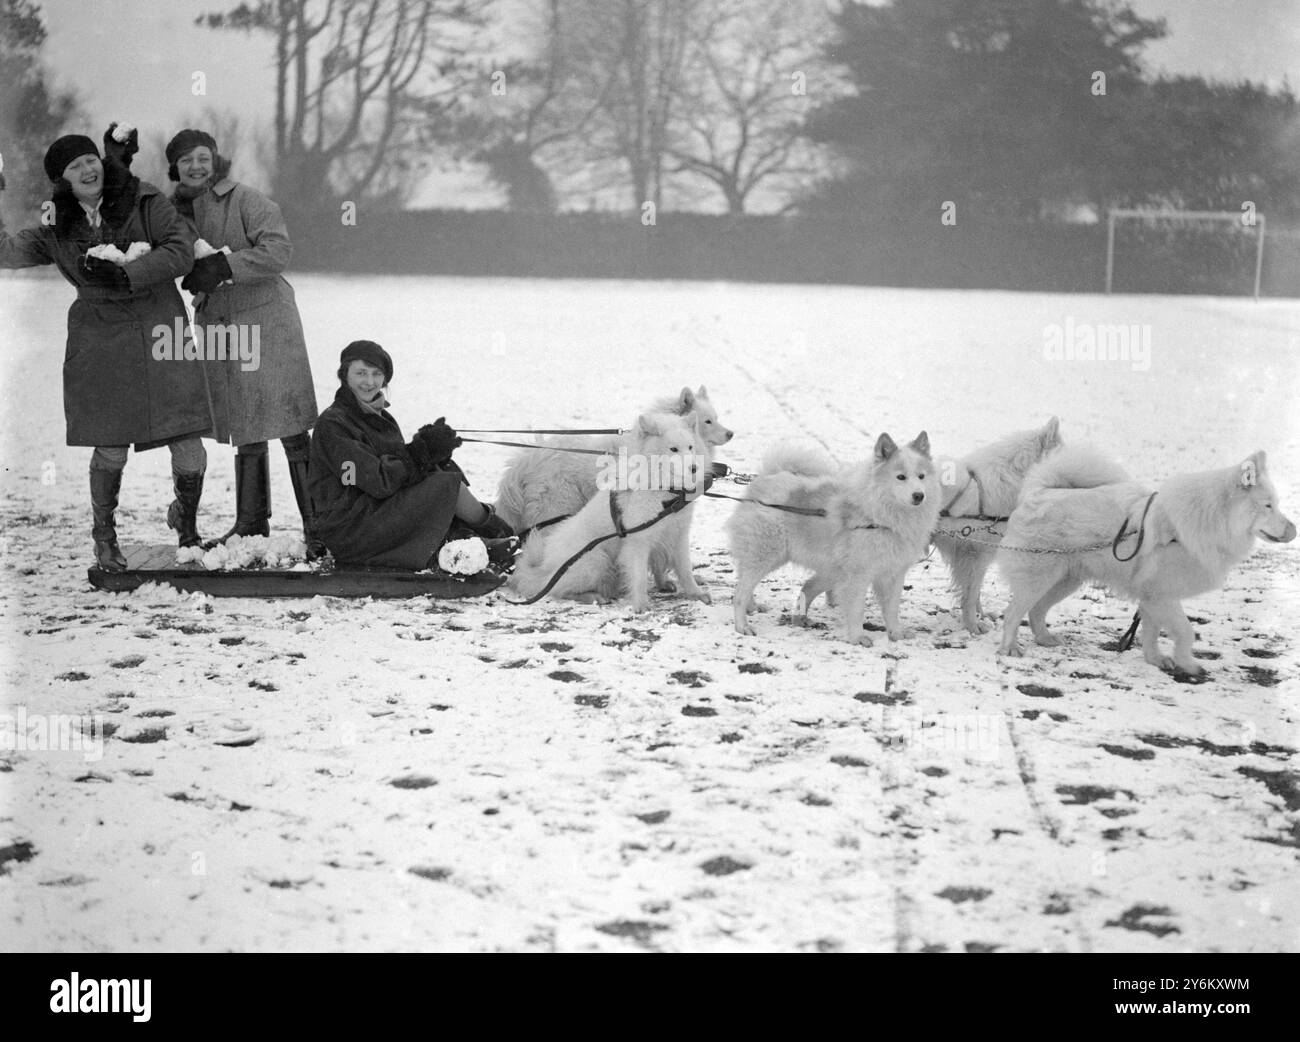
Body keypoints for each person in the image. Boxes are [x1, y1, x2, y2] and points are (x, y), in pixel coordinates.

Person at [0, 131, 212, 571]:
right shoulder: (56, 225)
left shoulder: (143, 199)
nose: (88, 170)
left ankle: (187, 524)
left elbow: (180, 252)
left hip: (160, 330)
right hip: (100, 340)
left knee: (187, 437)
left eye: (91, 160)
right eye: (75, 167)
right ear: (62, 180)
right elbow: (5, 252)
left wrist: (129, 274)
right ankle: (105, 537)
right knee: (111, 445)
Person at [163, 128, 320, 553]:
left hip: (268, 319)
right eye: (186, 160)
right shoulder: (173, 211)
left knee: (289, 424)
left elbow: (278, 251)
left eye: (202, 157)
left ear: (215, 159)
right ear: (174, 167)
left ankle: (318, 528)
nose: (196, 166)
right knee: (243, 421)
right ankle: (251, 524)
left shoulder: (246, 199)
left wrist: (222, 265)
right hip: (219, 323)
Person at [308, 340, 516, 571]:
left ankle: (468, 537)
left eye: (377, 374)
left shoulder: (379, 417)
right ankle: (496, 531)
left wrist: (430, 453)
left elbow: (396, 469)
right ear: (344, 375)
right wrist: (418, 454)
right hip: (349, 528)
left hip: (372, 513)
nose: (369, 382)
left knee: (442, 469)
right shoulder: (334, 425)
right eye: (360, 373)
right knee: (444, 485)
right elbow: (376, 481)